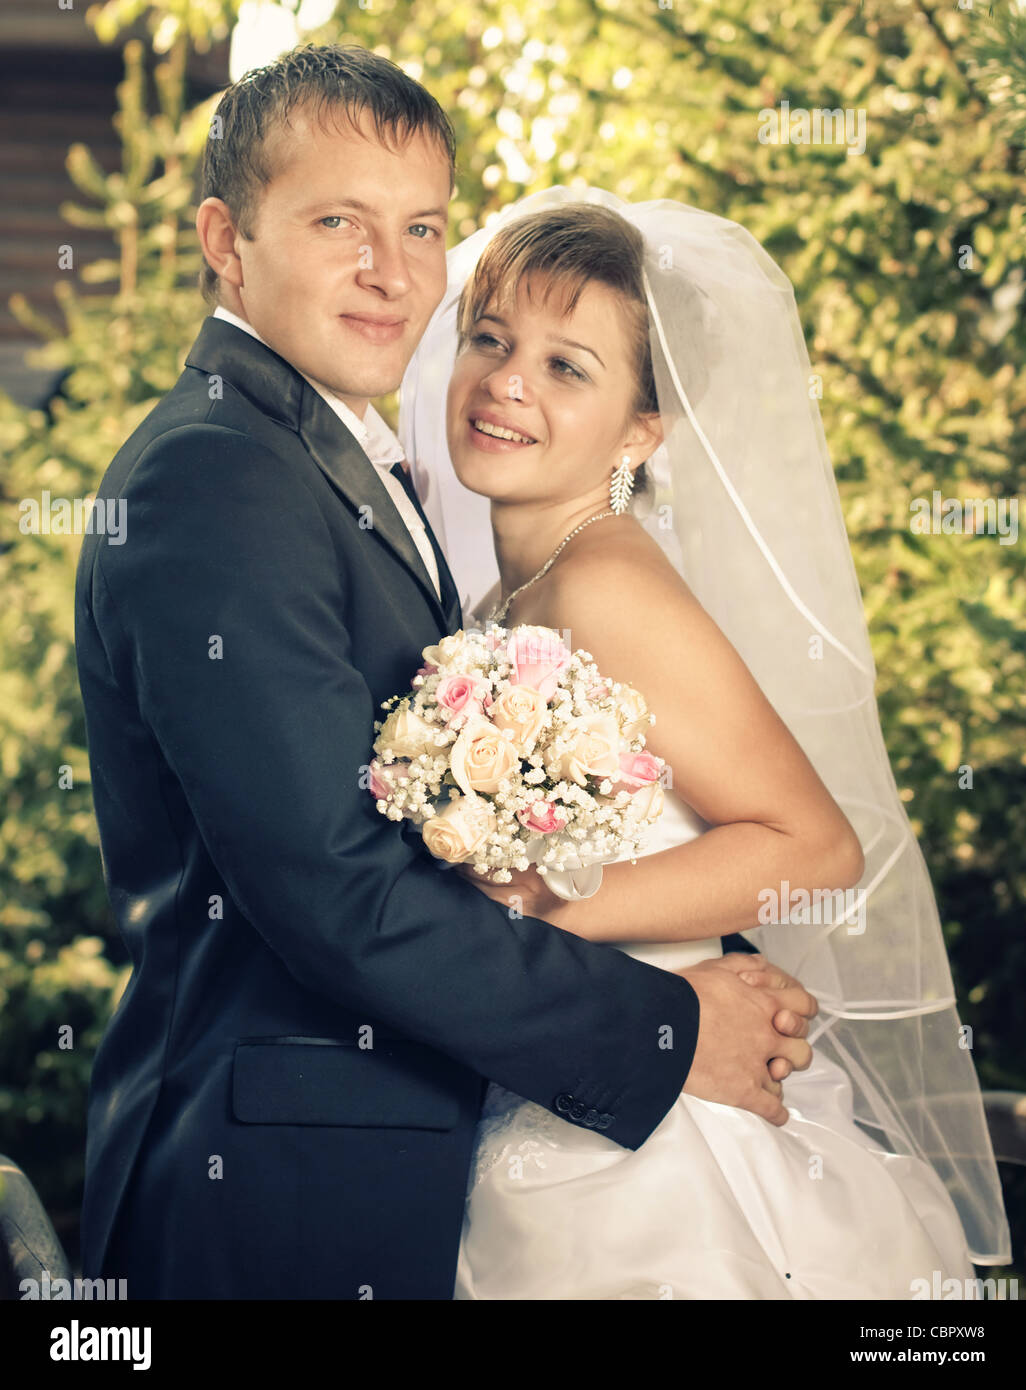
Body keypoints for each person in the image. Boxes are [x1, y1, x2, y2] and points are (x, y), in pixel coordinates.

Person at [73, 45, 818, 1300]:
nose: (393, 272)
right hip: (279, 1191)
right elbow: (336, 893)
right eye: (337, 224)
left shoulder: (334, 461)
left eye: (422, 227)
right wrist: (667, 1024)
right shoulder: (217, 476)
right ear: (225, 236)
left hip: (402, 1153)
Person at [400, 191, 1012, 1297]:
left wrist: (538, 906)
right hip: (572, 1079)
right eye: (490, 339)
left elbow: (815, 845)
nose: (506, 383)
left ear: (643, 430)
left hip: (655, 1146)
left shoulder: (606, 582)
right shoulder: (510, 591)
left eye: (567, 366)